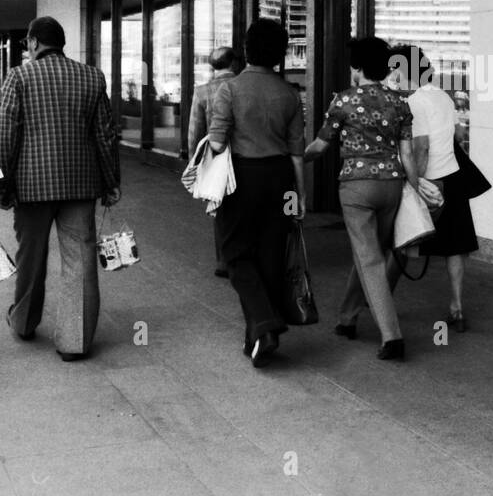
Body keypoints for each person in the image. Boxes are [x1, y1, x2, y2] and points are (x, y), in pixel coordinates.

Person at [304, 36, 437, 362]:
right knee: (370, 256)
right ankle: (347, 319)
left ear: (358, 67)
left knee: (370, 259)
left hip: (356, 189)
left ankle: (392, 337)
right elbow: (407, 154)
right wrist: (416, 188)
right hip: (391, 187)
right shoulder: (399, 103)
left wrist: (293, 159)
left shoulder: (344, 101)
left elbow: (320, 147)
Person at [0, 16, 120, 361]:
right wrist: (111, 182)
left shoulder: (18, 77)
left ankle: (23, 323)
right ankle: (74, 342)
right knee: (79, 261)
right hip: (81, 185)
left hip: (31, 187)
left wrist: (3, 186)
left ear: (34, 42)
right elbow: (105, 136)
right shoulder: (92, 77)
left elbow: (8, 137)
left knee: (30, 259)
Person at [208, 19, 306, 368]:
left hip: (241, 177)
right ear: (280, 55)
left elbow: (218, 142)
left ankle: (265, 323)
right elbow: (297, 152)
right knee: (270, 255)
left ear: (246, 50)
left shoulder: (229, 90)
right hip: (281, 179)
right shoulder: (290, 94)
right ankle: (256, 336)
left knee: (235, 254)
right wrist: (300, 197)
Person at [390, 45, 478, 330]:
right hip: (453, 178)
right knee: (456, 246)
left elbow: (422, 147)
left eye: (396, 69)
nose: (394, 75)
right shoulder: (443, 96)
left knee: (406, 237)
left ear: (406, 70)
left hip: (432, 181)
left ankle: (381, 297)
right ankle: (457, 307)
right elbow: (460, 134)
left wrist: (416, 184)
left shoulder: (415, 102)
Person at [186, 46, 237, 155]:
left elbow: (195, 132)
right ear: (233, 63)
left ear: (212, 65)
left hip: (214, 155)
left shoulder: (201, 91)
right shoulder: (243, 86)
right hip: (242, 155)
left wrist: (193, 161)